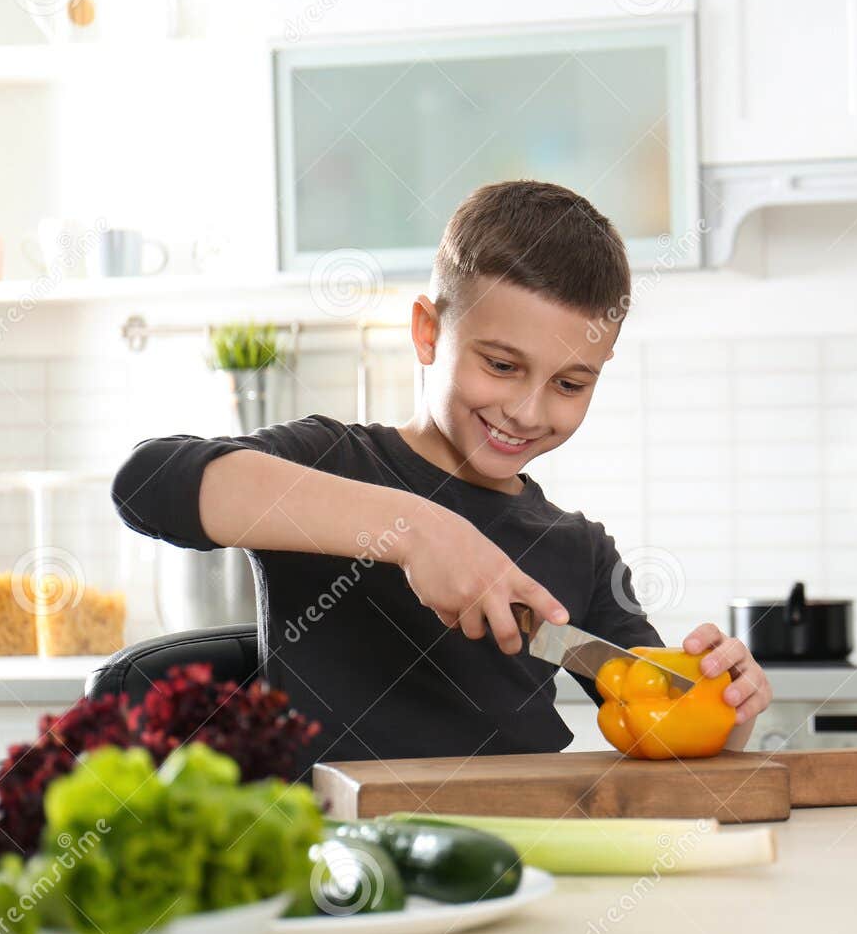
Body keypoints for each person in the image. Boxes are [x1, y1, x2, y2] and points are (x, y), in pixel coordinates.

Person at [113, 180, 772, 771]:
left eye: (570, 383)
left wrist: (724, 706)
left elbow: (660, 731)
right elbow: (146, 484)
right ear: (428, 332)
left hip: (531, 860)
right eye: (502, 365)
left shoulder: (583, 553)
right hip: (344, 867)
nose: (527, 409)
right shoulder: (332, 463)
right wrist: (415, 530)